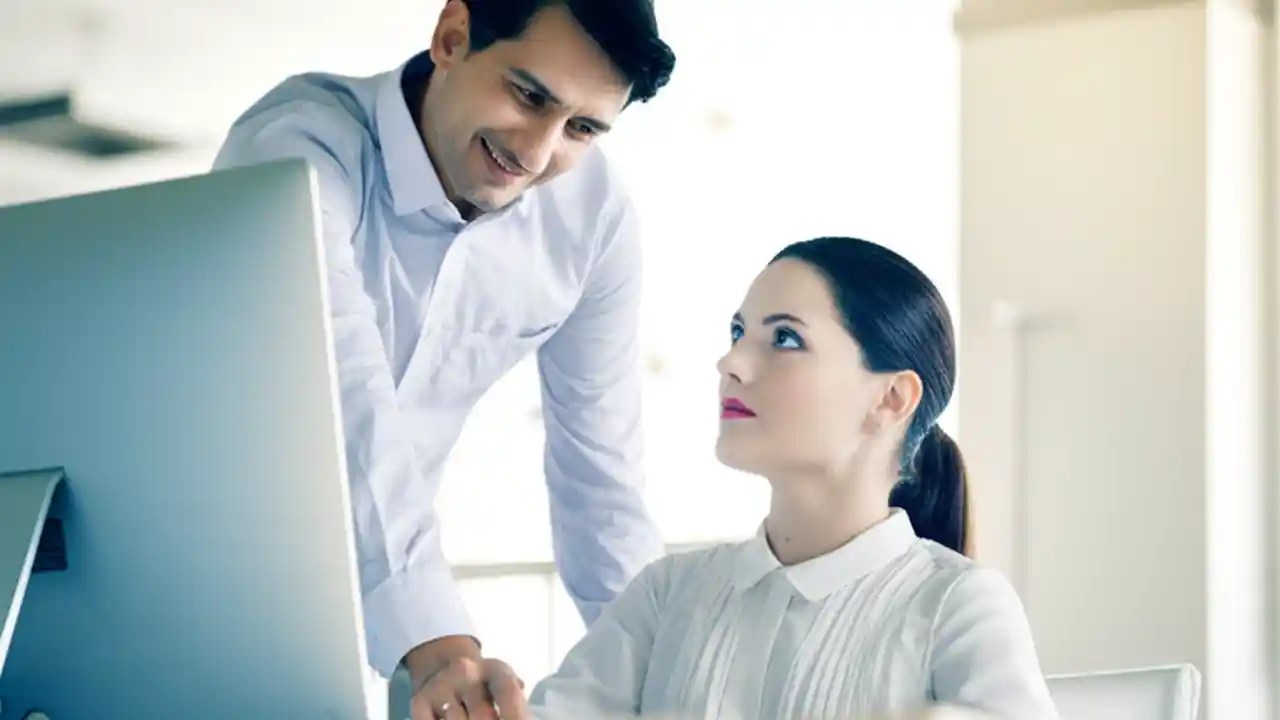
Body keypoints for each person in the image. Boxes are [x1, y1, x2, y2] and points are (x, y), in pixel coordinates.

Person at [211, 1, 675, 717]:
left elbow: (602, 475)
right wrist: (441, 647)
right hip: (194, 572)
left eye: (582, 128)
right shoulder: (298, 146)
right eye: (529, 96)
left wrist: (671, 674)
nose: (538, 153)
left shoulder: (593, 218)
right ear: (453, 36)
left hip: (357, 623)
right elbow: (340, 399)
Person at [528, 237, 1059, 719]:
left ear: (891, 398)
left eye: (784, 338)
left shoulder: (958, 606)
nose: (731, 362)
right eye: (738, 333)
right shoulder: (666, 595)